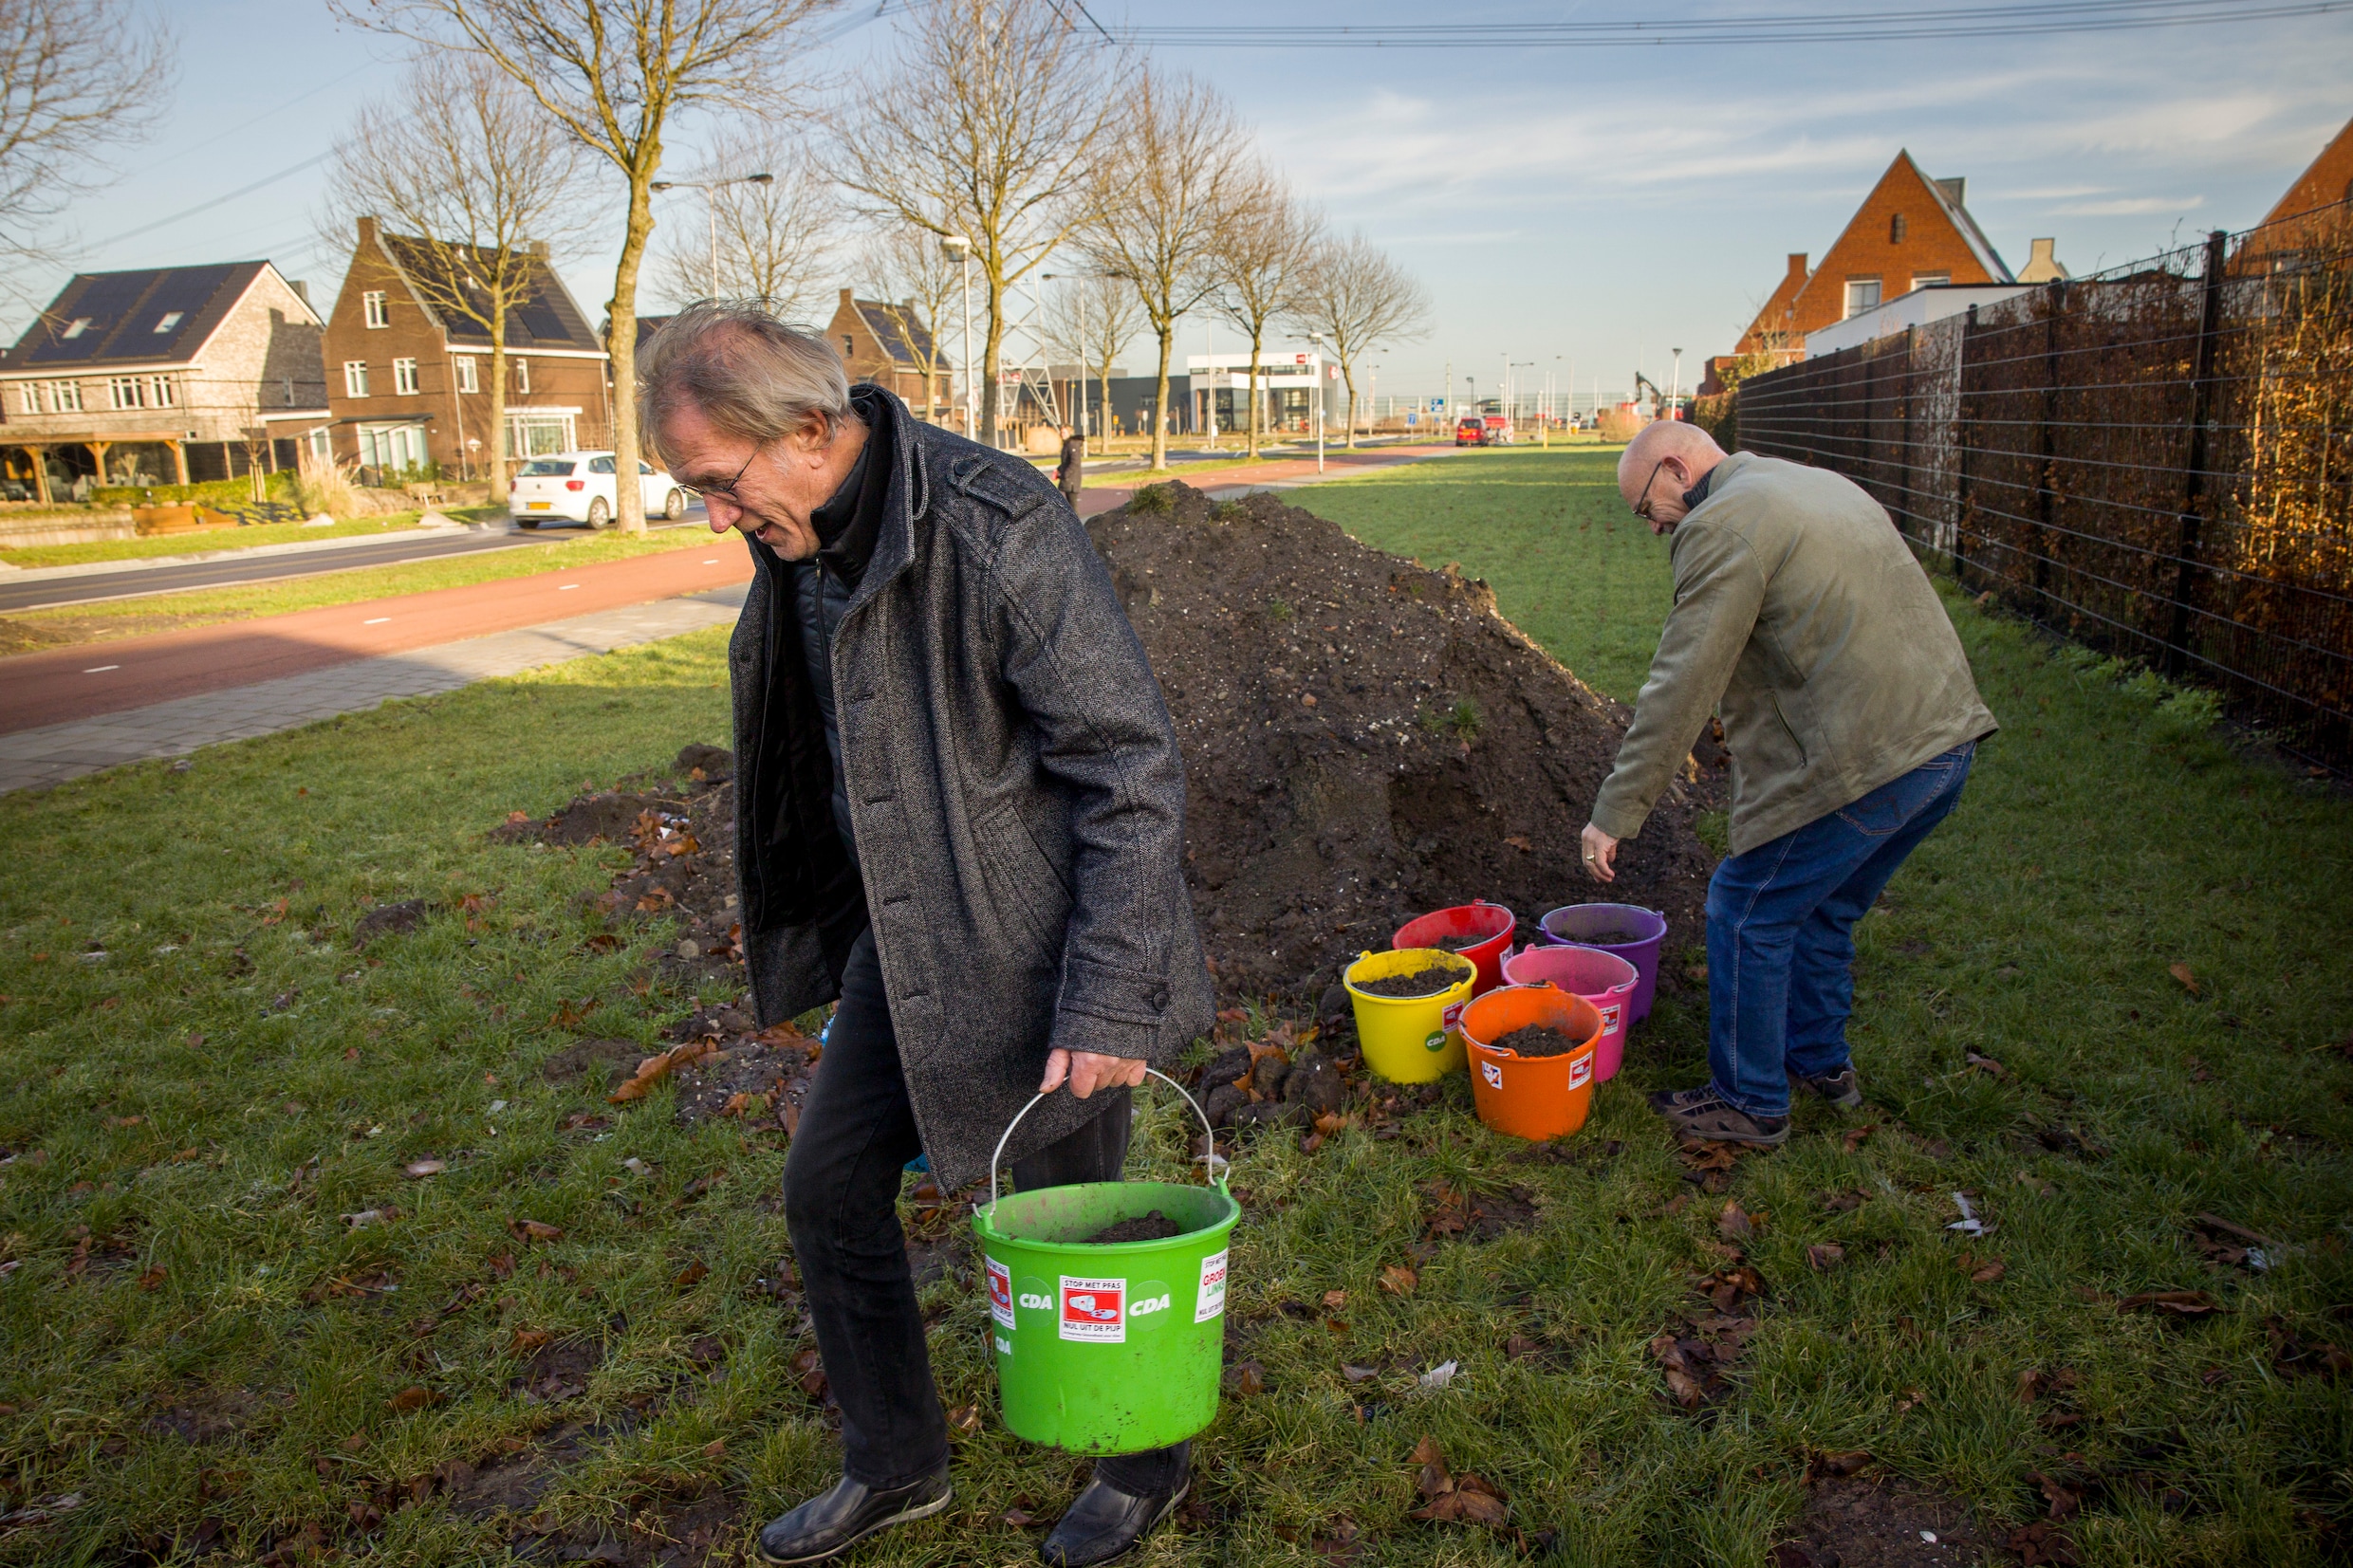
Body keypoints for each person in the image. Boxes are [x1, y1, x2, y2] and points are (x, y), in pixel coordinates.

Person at [639, 304, 1214, 1567]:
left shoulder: (995, 526)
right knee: (828, 1187)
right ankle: (895, 1463)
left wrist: (1110, 998)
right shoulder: (796, 538)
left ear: (807, 430)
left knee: (1080, 1224)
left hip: (1045, 955)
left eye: (719, 483)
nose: (715, 517)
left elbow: (1129, 768)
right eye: (697, 492)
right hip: (901, 945)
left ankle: (1141, 1460)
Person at [1582, 420, 1995, 1146]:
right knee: (1824, 907)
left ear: (1676, 467)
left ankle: (1750, 1100)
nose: (1652, 527)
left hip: (1870, 760)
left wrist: (1615, 811)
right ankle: (1819, 1063)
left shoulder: (1723, 524)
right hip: (1943, 743)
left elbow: (1681, 683)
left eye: (1646, 507)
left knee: (1746, 909)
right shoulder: (1811, 482)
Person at [1054, 422, 1085, 505]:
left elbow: (1075, 462)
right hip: (1068, 479)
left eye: (1064, 432)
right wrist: (1059, 469)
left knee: (1072, 505)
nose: (1062, 434)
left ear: (1069, 433)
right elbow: (1066, 461)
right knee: (1069, 505)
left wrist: (1065, 474)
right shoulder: (1067, 444)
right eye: (1061, 432)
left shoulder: (1072, 444)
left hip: (1072, 480)